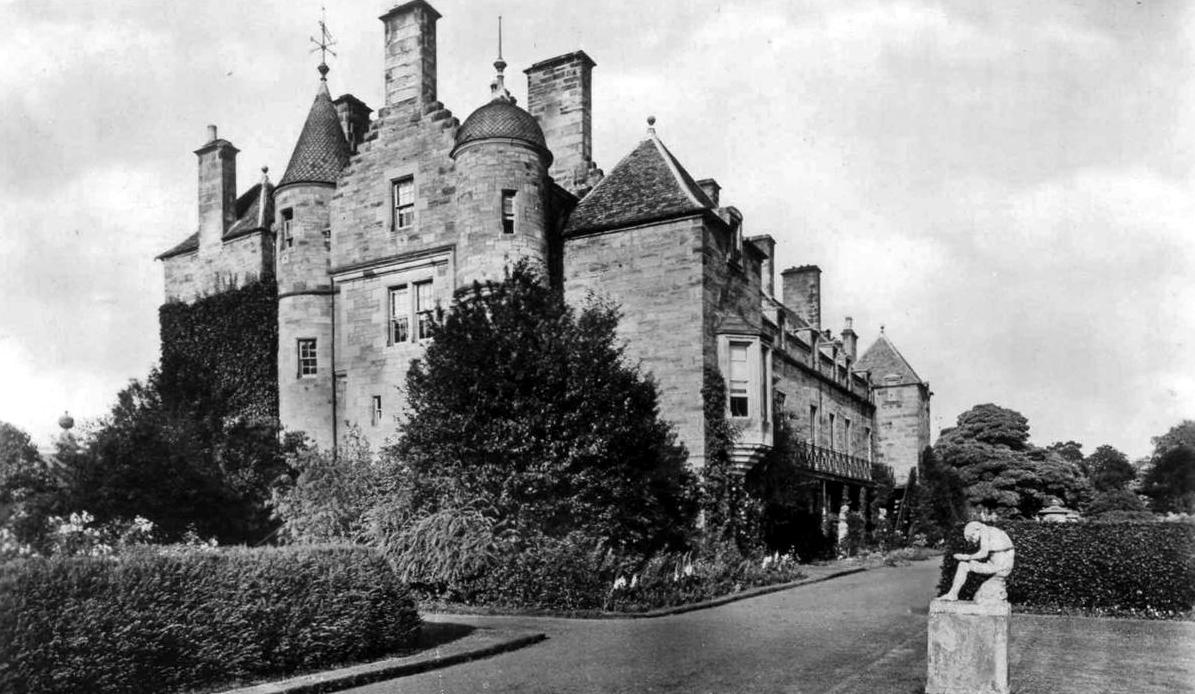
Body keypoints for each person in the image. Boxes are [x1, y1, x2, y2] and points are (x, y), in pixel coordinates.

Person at [939, 521, 1015, 601]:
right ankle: (952, 594)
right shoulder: (991, 530)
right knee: (964, 565)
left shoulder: (984, 531)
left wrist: (966, 557)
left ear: (977, 529)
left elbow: (983, 553)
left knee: (963, 565)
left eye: (973, 536)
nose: (974, 540)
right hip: (1001, 567)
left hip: (999, 567)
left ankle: (952, 594)